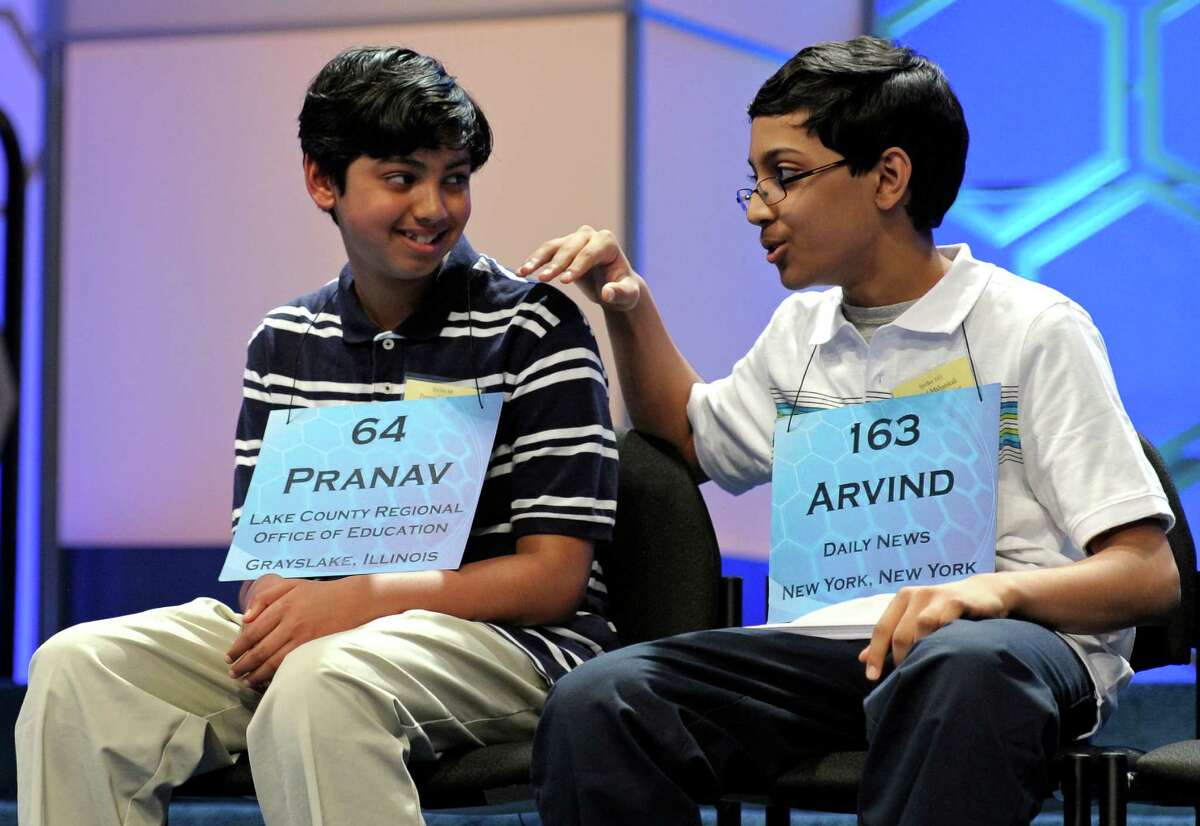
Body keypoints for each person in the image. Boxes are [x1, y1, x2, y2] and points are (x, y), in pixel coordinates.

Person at [522, 36, 1179, 826]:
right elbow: (692, 441)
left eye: (786, 175)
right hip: (828, 651)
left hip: (1003, 645)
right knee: (601, 698)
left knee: (962, 669)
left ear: (889, 178)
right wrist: (628, 306)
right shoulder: (800, 331)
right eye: (756, 180)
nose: (759, 206)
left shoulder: (1033, 327)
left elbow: (1147, 576)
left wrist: (991, 592)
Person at [16, 46, 619, 826]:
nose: (434, 207)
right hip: (332, 641)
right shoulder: (285, 342)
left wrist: (361, 602)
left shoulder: (534, 327)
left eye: (455, 178)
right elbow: (269, 566)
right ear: (322, 181)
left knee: (322, 682)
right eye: (402, 178)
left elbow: (554, 579)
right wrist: (287, 602)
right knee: (76, 667)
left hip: (512, 646)